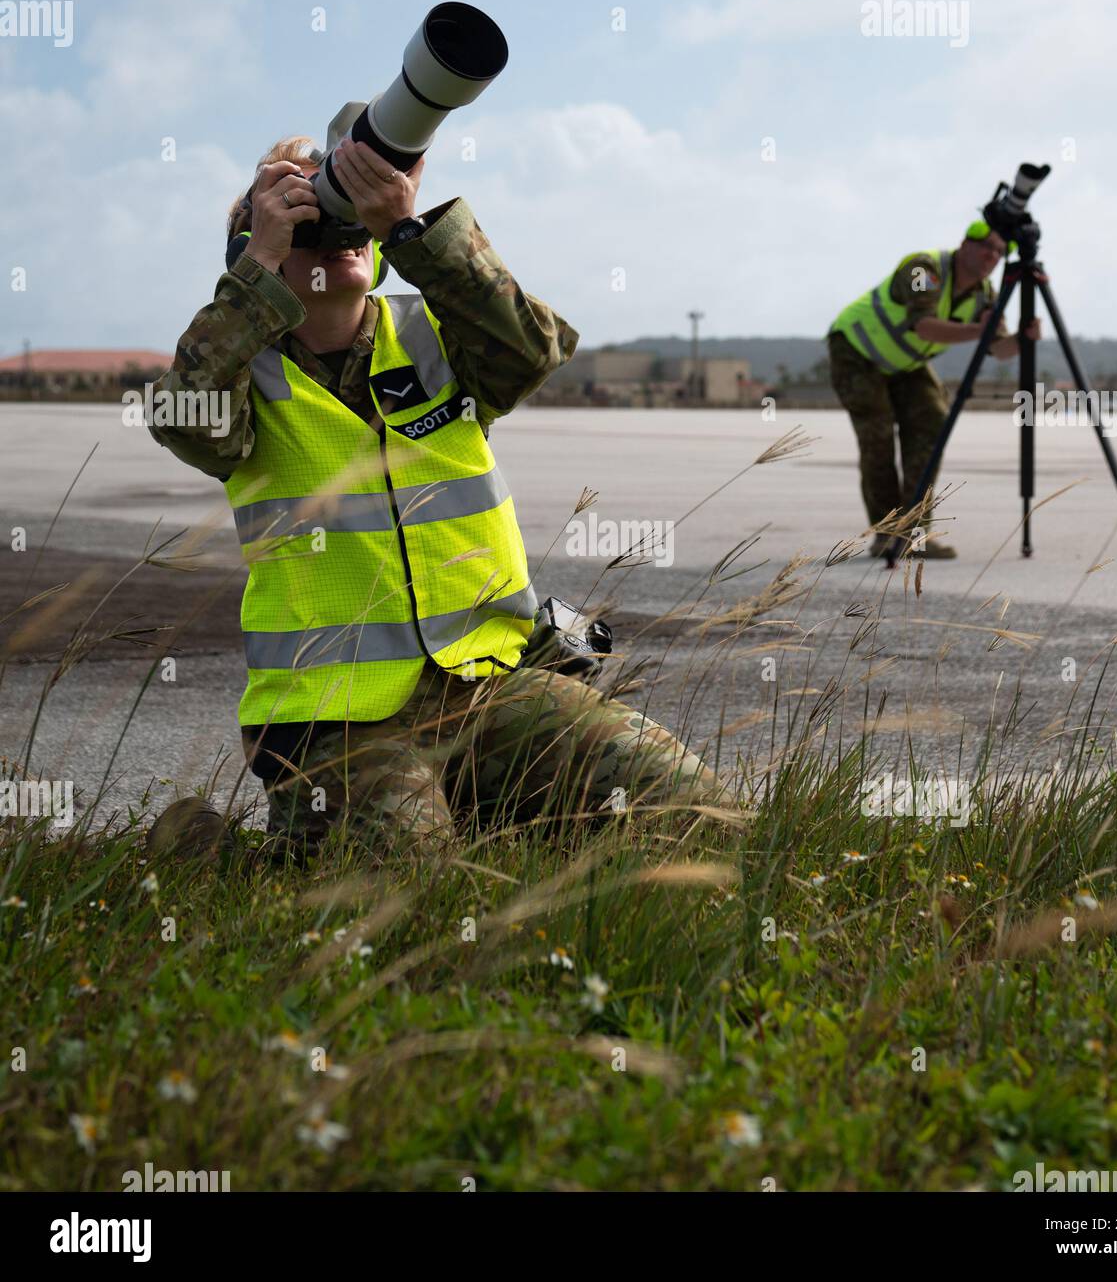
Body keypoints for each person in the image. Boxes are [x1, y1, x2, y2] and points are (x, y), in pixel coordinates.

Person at [146, 123, 718, 863]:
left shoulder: (434, 337)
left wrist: (409, 227)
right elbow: (185, 424)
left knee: (705, 818)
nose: (337, 231)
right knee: (408, 886)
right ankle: (204, 847)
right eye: (309, 219)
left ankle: (487, 812)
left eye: (344, 212)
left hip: (493, 684)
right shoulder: (239, 375)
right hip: (338, 720)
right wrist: (258, 261)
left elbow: (530, 351)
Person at [827, 220, 1041, 558]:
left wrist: (1024, 339)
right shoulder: (923, 269)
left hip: (906, 364)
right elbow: (924, 327)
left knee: (933, 426)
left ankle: (913, 535)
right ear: (964, 244)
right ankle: (887, 534)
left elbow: (998, 350)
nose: (992, 255)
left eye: (1000, 251)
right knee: (878, 437)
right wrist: (977, 331)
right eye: (986, 245)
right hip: (857, 351)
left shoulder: (986, 294)